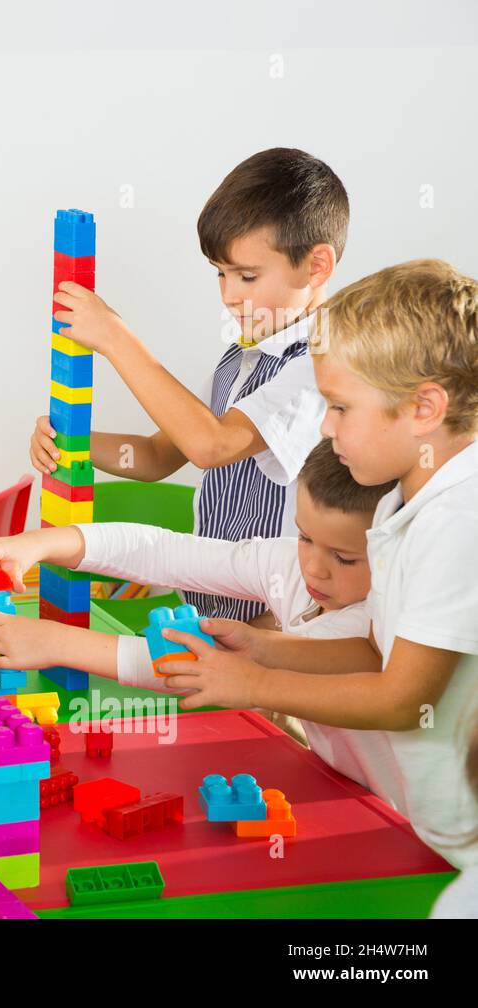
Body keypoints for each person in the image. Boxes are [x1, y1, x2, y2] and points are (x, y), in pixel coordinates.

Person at [155, 259, 478, 870]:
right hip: (422, 826)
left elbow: (402, 698)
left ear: (424, 409)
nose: (325, 429)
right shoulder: (407, 498)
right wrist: (262, 648)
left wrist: (251, 683)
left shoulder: (457, 518)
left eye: (340, 408)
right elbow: (381, 651)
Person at [0, 439, 402, 805]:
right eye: (306, 536)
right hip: (341, 785)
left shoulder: (372, 624)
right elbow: (167, 551)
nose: (314, 568)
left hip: (403, 817)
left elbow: (198, 667)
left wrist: (56, 642)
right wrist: (40, 543)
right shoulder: (290, 563)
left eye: (345, 558)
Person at [29, 148, 347, 623]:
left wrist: (116, 338)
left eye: (248, 275)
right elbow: (160, 454)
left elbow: (210, 445)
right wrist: (74, 443)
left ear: (317, 266)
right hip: (211, 603)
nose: (229, 294)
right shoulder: (242, 357)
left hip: (278, 616)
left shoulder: (320, 368)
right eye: (221, 273)